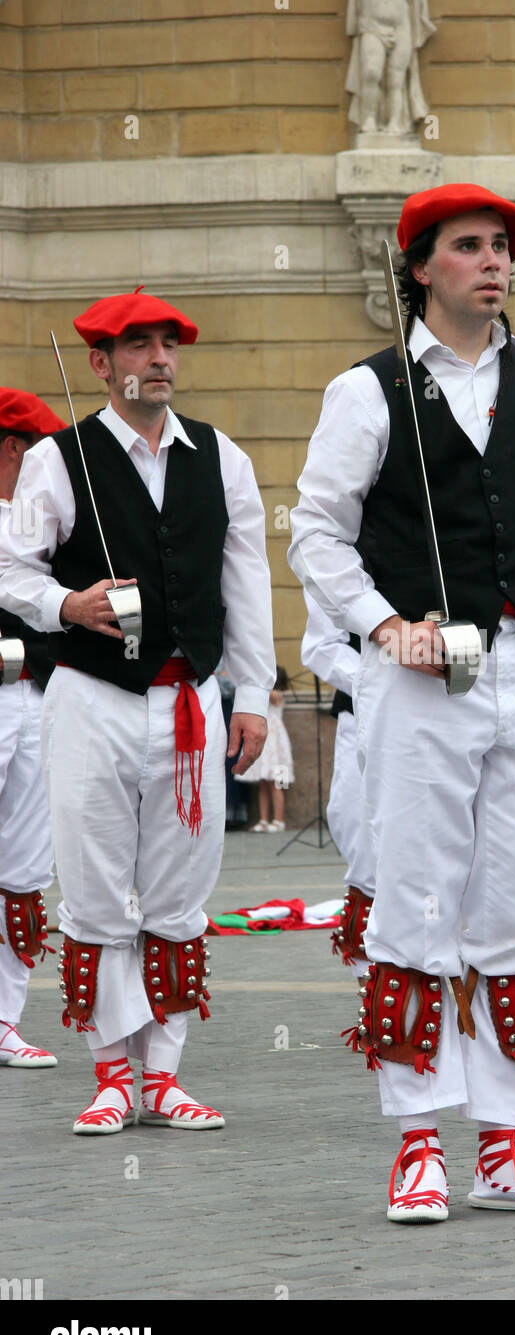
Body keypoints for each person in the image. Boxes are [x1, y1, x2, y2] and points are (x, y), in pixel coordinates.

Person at [290, 183, 515, 1221]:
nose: (493, 262)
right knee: (417, 903)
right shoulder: (368, 390)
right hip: (420, 679)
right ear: (421, 265)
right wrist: (383, 622)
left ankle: (502, 1146)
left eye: (501, 248)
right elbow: (315, 533)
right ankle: (416, 1144)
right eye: (469, 247)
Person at [0, 288, 275, 1133]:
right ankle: (111, 1072)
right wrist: (65, 606)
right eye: (138, 346)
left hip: (188, 698)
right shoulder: (59, 458)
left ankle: (165, 1074)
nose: (158, 358)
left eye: (168, 344)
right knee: (92, 886)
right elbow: (13, 570)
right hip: (91, 695)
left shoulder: (220, 456)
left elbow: (246, 580)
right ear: (101, 364)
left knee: (179, 890)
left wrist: (254, 693)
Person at [0, 389, 66, 1069]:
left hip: (37, 696)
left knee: (24, 864)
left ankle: (4, 1018)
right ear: (15, 449)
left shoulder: (45, 521)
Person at [301, 591, 375, 971]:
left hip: (460, 706)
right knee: (364, 848)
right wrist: (384, 683)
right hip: (365, 711)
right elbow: (321, 647)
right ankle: (380, 1007)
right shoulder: (338, 539)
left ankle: (466, 1018)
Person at [233, 664, 294, 831]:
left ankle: (279, 820)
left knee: (278, 784)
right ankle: (264, 819)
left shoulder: (276, 695)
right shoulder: (264, 695)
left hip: (277, 745)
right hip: (265, 745)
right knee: (262, 783)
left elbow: (271, 696)